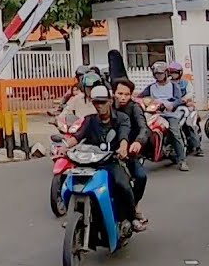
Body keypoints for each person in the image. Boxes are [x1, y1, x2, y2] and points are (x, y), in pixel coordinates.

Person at [65, 85, 141, 231]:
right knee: (69, 183)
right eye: (96, 103)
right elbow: (77, 137)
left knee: (123, 185)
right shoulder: (89, 120)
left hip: (111, 161)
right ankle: (73, 215)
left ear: (110, 101)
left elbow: (124, 136)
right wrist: (63, 146)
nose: (99, 106)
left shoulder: (121, 118)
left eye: (102, 102)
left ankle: (132, 217)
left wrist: (123, 148)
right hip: (90, 163)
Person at [111, 78, 150, 229]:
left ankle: (132, 207)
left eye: (126, 94)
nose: (122, 97)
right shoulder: (107, 106)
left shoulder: (135, 108)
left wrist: (138, 142)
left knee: (140, 177)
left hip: (129, 153)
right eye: (119, 93)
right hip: (105, 152)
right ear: (113, 93)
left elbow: (143, 128)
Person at [139, 62, 193, 170]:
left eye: (161, 73)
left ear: (166, 73)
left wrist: (171, 105)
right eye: (157, 74)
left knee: (174, 132)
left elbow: (179, 99)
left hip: (170, 114)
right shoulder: (151, 87)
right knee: (142, 127)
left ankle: (182, 160)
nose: (159, 76)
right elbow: (140, 96)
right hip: (155, 113)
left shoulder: (173, 86)